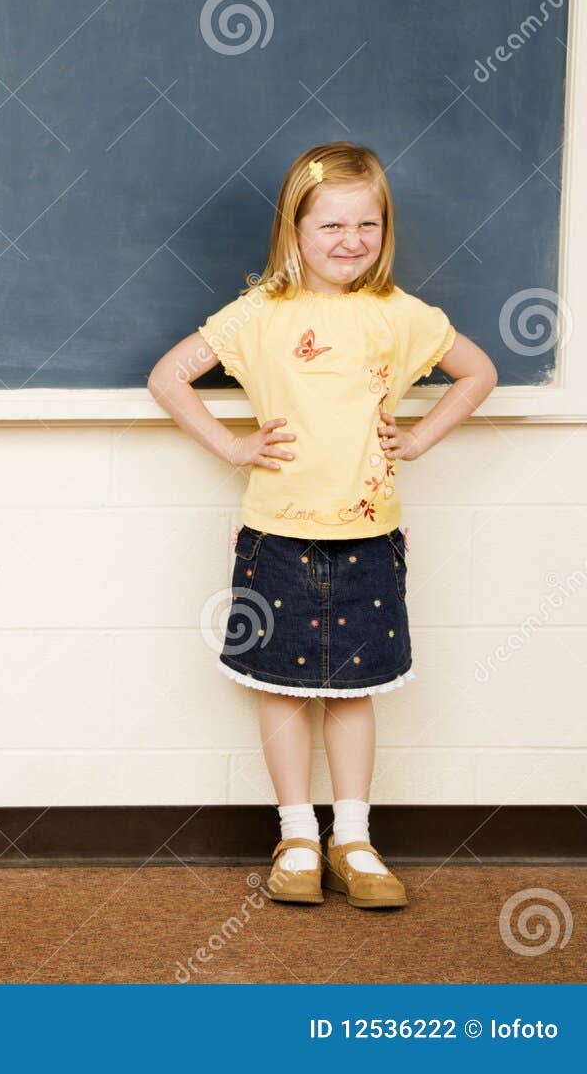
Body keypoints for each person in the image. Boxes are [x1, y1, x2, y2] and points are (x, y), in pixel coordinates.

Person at [148, 142, 497, 909]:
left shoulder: (400, 316)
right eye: (332, 224)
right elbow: (168, 375)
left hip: (370, 538)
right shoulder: (258, 314)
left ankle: (355, 837)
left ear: (385, 228)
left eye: (367, 224)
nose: (351, 240)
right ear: (294, 229)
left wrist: (421, 436)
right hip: (276, 535)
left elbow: (479, 371)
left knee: (352, 688)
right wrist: (234, 446)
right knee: (280, 685)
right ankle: (297, 831)